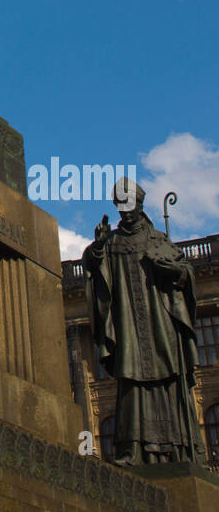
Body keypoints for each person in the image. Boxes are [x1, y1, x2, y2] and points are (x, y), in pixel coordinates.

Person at [82, 178, 206, 466]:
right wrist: (98, 247)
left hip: (159, 324)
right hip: (129, 326)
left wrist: (177, 271)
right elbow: (92, 266)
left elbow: (186, 271)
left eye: (130, 205)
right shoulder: (111, 243)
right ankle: (133, 450)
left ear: (140, 204)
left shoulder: (158, 239)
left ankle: (179, 449)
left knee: (167, 379)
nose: (125, 211)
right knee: (132, 382)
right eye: (120, 206)